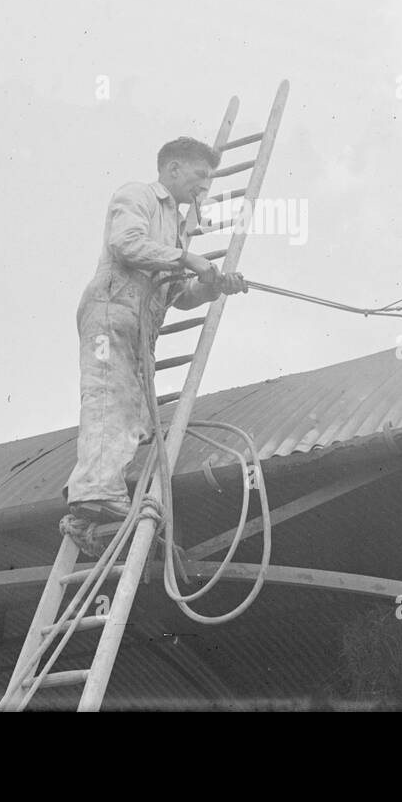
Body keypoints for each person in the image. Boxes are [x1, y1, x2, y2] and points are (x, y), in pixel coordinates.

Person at [63, 136, 248, 526]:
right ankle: (94, 489)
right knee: (109, 394)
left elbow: (179, 295)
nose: (204, 185)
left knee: (135, 414)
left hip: (141, 326)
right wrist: (188, 257)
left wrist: (214, 285)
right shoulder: (139, 196)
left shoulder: (177, 229)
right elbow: (126, 243)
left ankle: (87, 514)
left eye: (209, 179)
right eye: (200, 175)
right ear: (173, 169)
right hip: (112, 309)